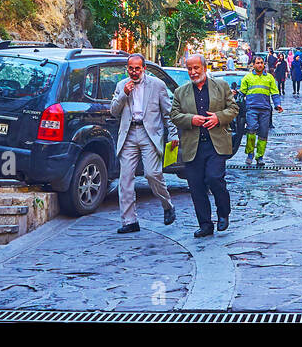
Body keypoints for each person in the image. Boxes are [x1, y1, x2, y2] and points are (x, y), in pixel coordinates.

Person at [169, 53, 240, 237]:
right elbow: (174, 115)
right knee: (196, 186)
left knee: (214, 178)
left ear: (204, 68)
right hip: (193, 146)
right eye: (189, 69)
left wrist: (218, 117)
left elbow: (234, 109)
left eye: (196, 68)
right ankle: (205, 224)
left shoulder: (221, 86)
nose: (193, 72)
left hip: (215, 144)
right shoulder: (180, 92)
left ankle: (223, 212)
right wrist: (191, 119)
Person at [109, 54, 175, 234]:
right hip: (129, 134)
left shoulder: (157, 85)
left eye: (138, 68)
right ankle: (129, 221)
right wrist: (124, 95)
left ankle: (167, 205)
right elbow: (114, 111)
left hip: (150, 134)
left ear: (144, 68)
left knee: (152, 174)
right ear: (127, 69)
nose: (134, 72)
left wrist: (173, 135)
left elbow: (167, 113)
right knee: (125, 179)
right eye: (131, 68)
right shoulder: (121, 85)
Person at [240, 55, 280, 167]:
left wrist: (277, 105)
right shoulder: (247, 78)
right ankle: (250, 154)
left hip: (265, 110)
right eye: (257, 63)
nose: (260, 65)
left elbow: (275, 93)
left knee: (263, 133)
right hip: (251, 109)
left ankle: (260, 156)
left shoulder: (269, 78)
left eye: (262, 63)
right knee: (251, 130)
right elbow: (242, 93)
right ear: (253, 65)